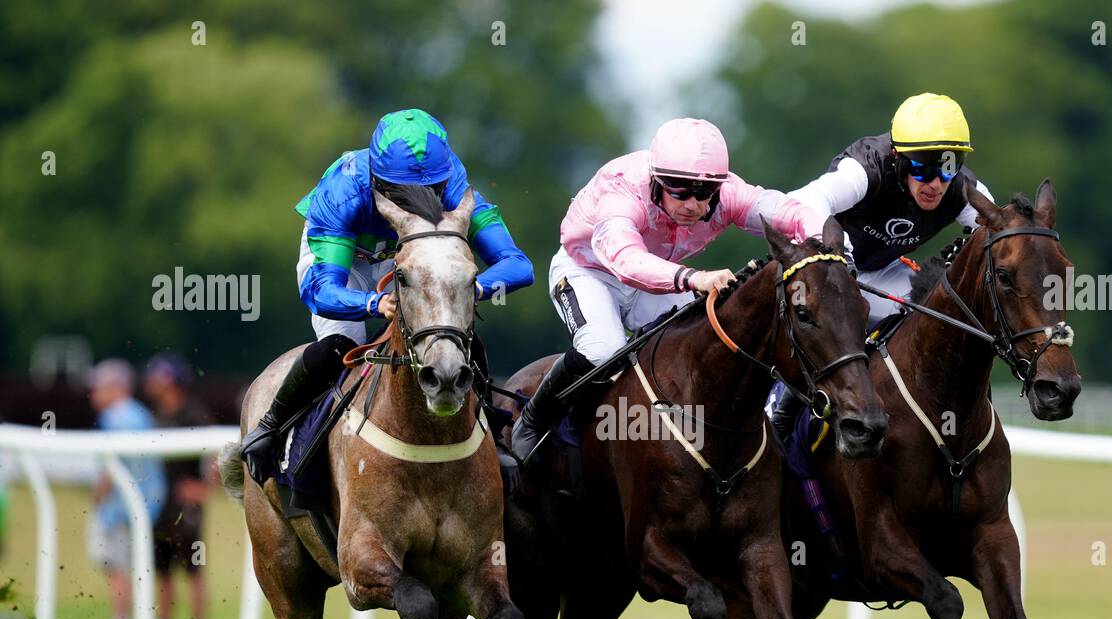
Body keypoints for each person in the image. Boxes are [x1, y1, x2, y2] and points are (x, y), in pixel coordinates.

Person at [239, 108, 534, 483]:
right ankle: (272, 426)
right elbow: (321, 291)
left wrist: (472, 288)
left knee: (452, 335)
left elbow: (518, 264)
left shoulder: (452, 182)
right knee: (343, 343)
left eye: (430, 190)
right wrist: (373, 303)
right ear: (379, 180)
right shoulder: (343, 192)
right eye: (404, 191)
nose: (420, 199)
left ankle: (493, 441)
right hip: (348, 263)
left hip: (412, 259)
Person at [510, 117, 827, 463]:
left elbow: (789, 213)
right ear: (657, 181)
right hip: (591, 272)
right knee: (603, 350)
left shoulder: (728, 193)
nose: (693, 204)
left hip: (662, 275)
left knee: (697, 349)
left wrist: (828, 248)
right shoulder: (622, 190)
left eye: (705, 193)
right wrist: (693, 278)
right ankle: (532, 421)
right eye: (680, 190)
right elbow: (626, 259)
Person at [770, 92, 998, 439]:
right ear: (898, 157)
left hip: (879, 273)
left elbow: (997, 230)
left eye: (948, 168)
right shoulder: (866, 166)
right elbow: (800, 200)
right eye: (922, 169)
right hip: (826, 277)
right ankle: (782, 413)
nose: (935, 184)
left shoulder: (962, 187)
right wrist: (840, 251)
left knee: (934, 315)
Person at [87, 359, 166, 619]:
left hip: (121, 508)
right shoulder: (141, 414)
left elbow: (113, 467)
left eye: (97, 388)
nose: (93, 394)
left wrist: (98, 495)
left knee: (119, 568)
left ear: (115, 387)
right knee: (141, 567)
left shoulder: (116, 417)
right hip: (148, 505)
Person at [144, 353, 213, 619]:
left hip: (187, 506)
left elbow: (215, 454)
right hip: (160, 503)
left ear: (171, 381)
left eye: (158, 376)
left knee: (193, 570)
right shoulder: (155, 413)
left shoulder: (193, 413)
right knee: (163, 569)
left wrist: (203, 488)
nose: (151, 381)